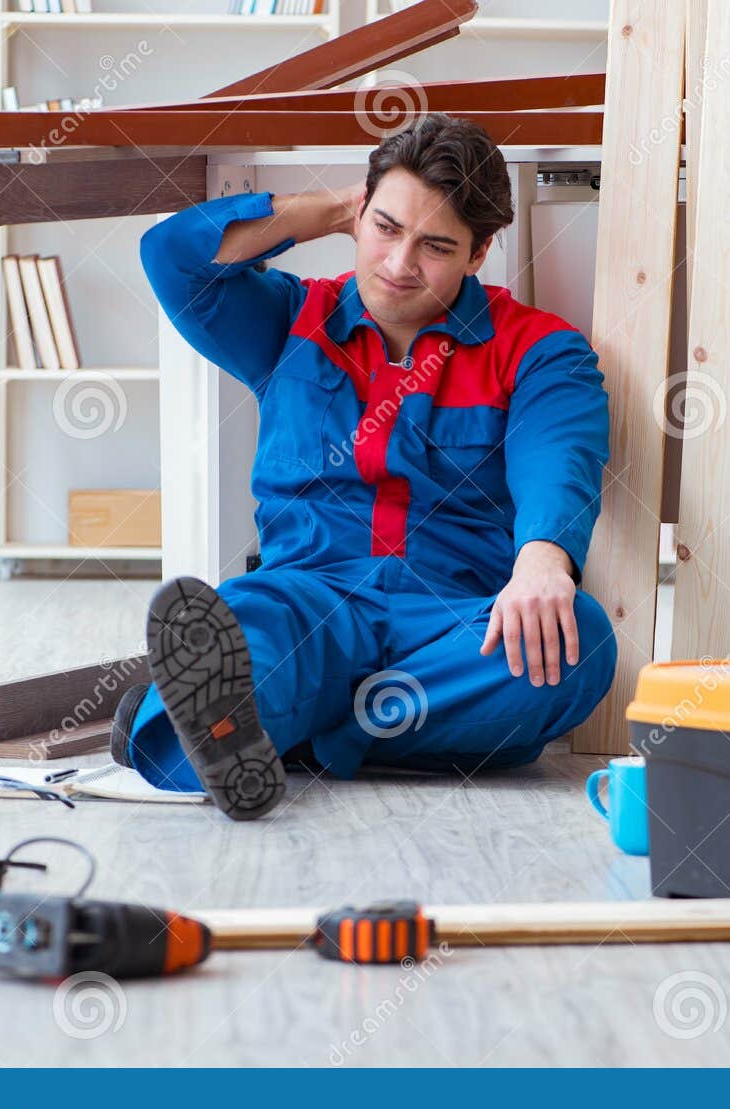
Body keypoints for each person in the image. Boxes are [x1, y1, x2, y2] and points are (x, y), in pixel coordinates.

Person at [113, 113, 617, 820]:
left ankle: (290, 736)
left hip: (454, 624)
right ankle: (292, 723)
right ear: (360, 211)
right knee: (246, 620)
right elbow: (171, 256)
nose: (399, 264)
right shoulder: (288, 320)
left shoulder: (539, 349)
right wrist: (332, 210)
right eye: (385, 227)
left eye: (435, 245)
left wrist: (543, 560)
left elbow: (560, 453)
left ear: (480, 253)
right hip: (307, 602)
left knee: (576, 643)